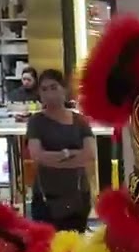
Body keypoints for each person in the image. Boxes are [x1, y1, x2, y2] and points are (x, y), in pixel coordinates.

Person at [26, 69, 95, 232]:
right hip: (46, 199)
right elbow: (37, 155)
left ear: (64, 89)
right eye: (44, 89)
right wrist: (69, 154)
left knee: (74, 248)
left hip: (77, 195)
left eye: (53, 87)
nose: (49, 93)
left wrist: (54, 158)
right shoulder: (36, 122)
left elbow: (90, 154)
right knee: (47, 249)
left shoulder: (80, 121)